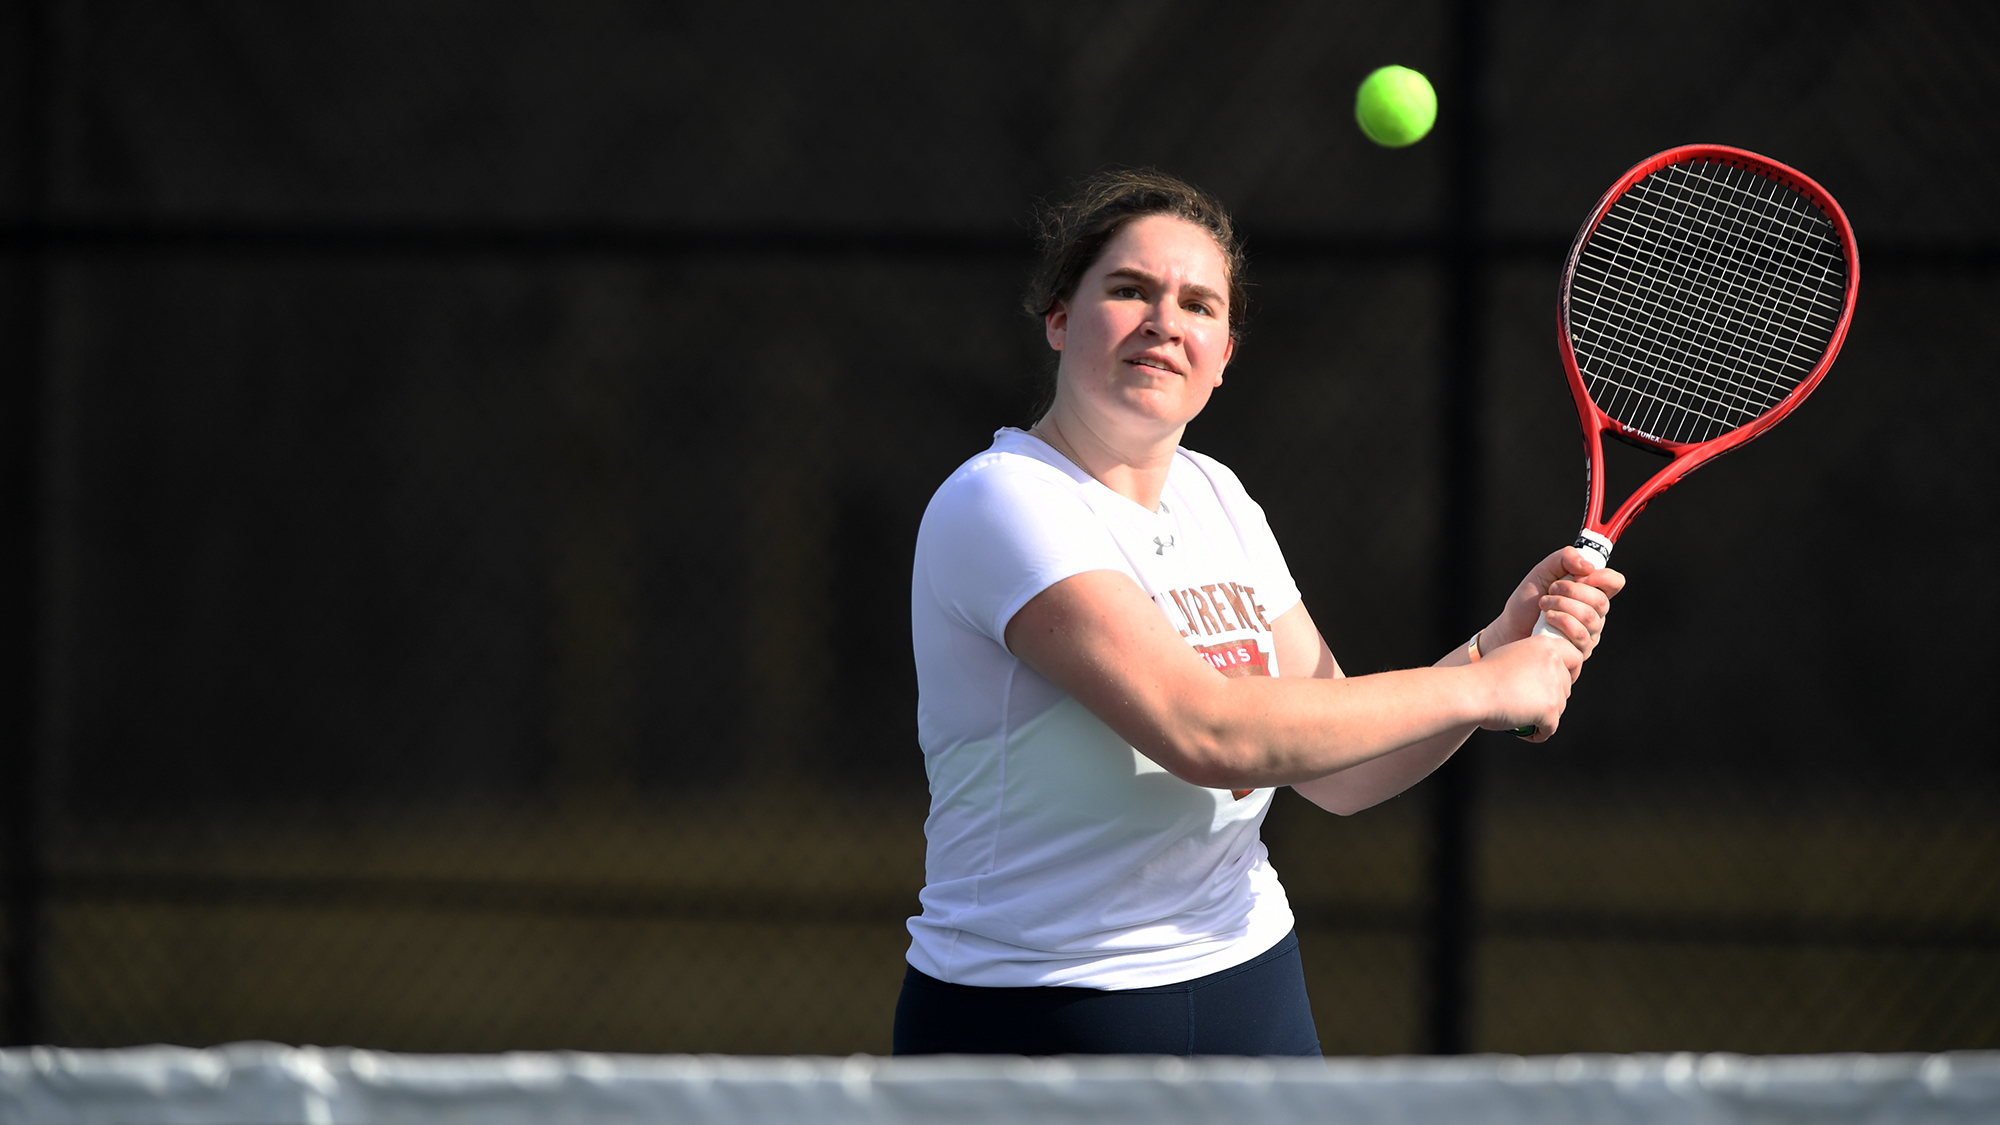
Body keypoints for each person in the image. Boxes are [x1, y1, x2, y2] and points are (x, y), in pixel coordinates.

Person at [893, 169, 1623, 1057]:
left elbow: (1339, 774)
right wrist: (1491, 689)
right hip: (1041, 1010)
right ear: (1058, 316)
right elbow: (1212, 734)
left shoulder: (1217, 496)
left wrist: (1488, 648)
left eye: (1200, 304)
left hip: (1252, 981)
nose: (1166, 320)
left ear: (1225, 354)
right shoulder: (1001, 504)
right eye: (1129, 290)